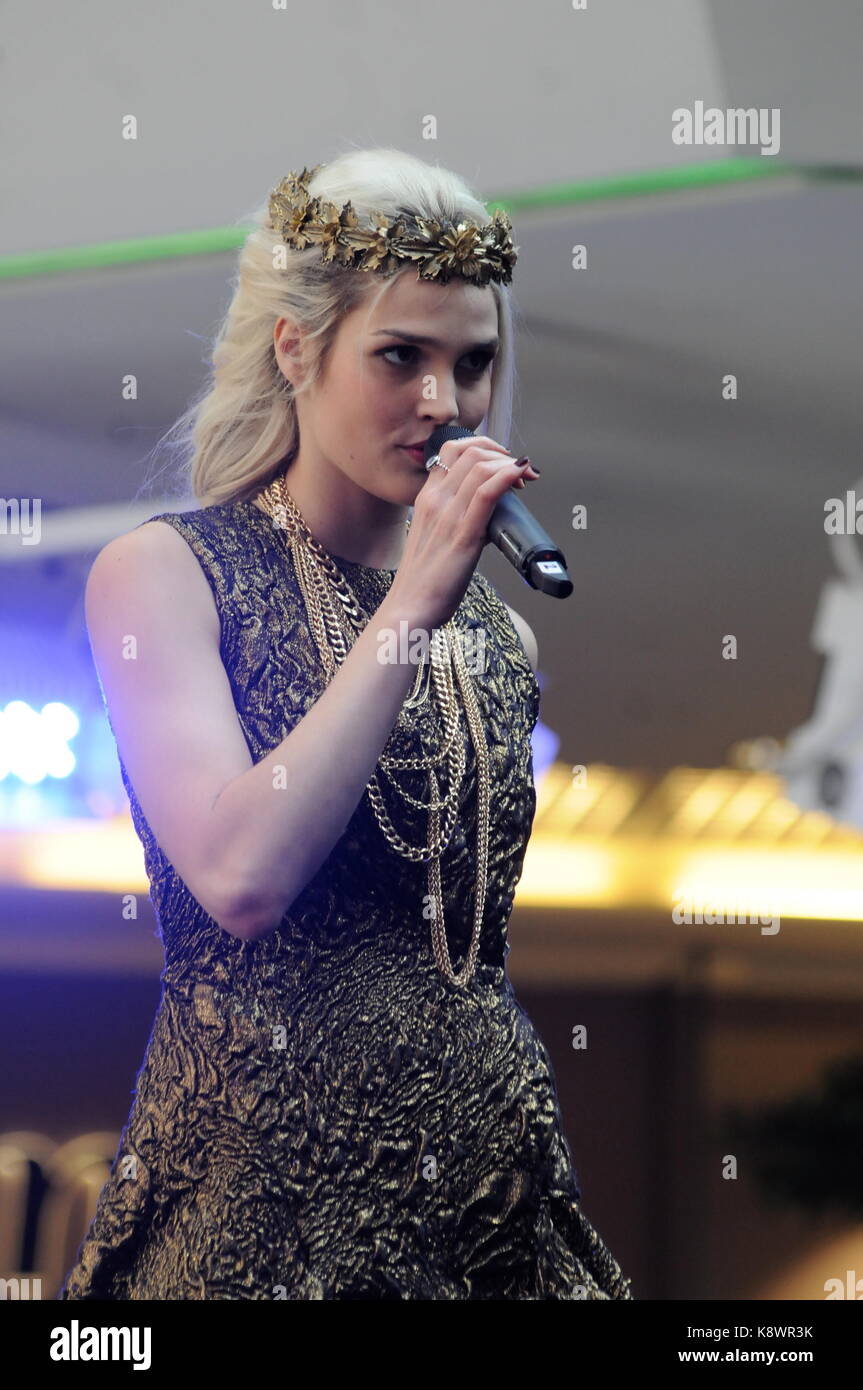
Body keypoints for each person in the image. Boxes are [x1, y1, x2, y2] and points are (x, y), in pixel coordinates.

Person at [59, 148, 633, 1300]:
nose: (444, 402)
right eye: (399, 357)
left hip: (489, 1198)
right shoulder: (165, 575)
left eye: (472, 364)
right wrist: (416, 597)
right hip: (264, 1198)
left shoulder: (498, 638)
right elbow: (239, 875)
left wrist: (434, 599)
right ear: (294, 349)